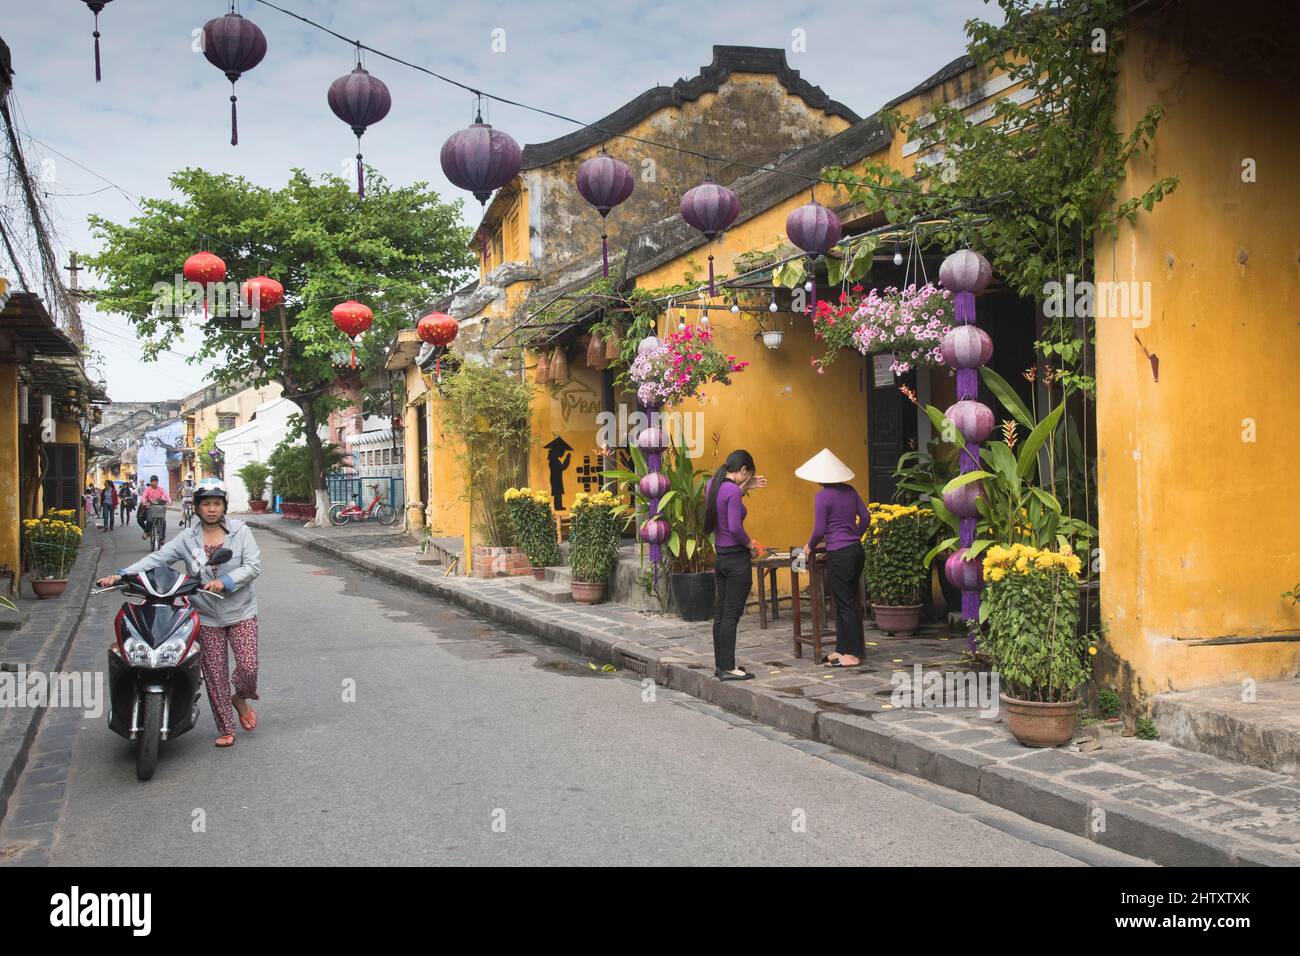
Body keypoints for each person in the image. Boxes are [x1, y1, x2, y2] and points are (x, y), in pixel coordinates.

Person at [98, 478, 262, 748]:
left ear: (224, 507)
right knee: (214, 672)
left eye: (217, 504)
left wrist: (226, 582)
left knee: (248, 667)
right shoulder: (188, 538)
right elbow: (157, 559)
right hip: (205, 613)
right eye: (206, 504)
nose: (211, 509)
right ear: (196, 508)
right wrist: (121, 575)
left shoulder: (241, 532)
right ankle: (226, 727)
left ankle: (241, 697)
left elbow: (253, 566)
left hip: (241, 609)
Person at [797, 448, 872, 668]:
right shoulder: (850, 491)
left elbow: (819, 529)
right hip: (856, 551)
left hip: (839, 554)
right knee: (846, 601)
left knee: (845, 603)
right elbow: (866, 517)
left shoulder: (822, 497)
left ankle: (853, 654)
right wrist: (854, 536)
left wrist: (809, 547)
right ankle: (842, 648)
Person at [703, 450, 766, 681]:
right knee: (731, 615)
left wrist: (745, 488)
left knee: (721, 614)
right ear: (743, 471)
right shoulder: (732, 493)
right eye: (748, 476)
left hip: (721, 557)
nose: (749, 479)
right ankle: (729, 668)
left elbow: (724, 499)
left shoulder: (713, 484)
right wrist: (751, 545)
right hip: (737, 560)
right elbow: (735, 528)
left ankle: (721, 665)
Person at [138, 474, 171, 544]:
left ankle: (162, 538)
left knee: (163, 521)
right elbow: (143, 497)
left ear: (157, 482)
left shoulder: (160, 489)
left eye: (156, 481)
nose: (155, 482)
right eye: (153, 481)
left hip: (159, 507)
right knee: (150, 520)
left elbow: (166, 495)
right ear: (150, 482)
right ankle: (147, 532)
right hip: (149, 507)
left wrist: (169, 502)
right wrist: (144, 502)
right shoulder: (147, 489)